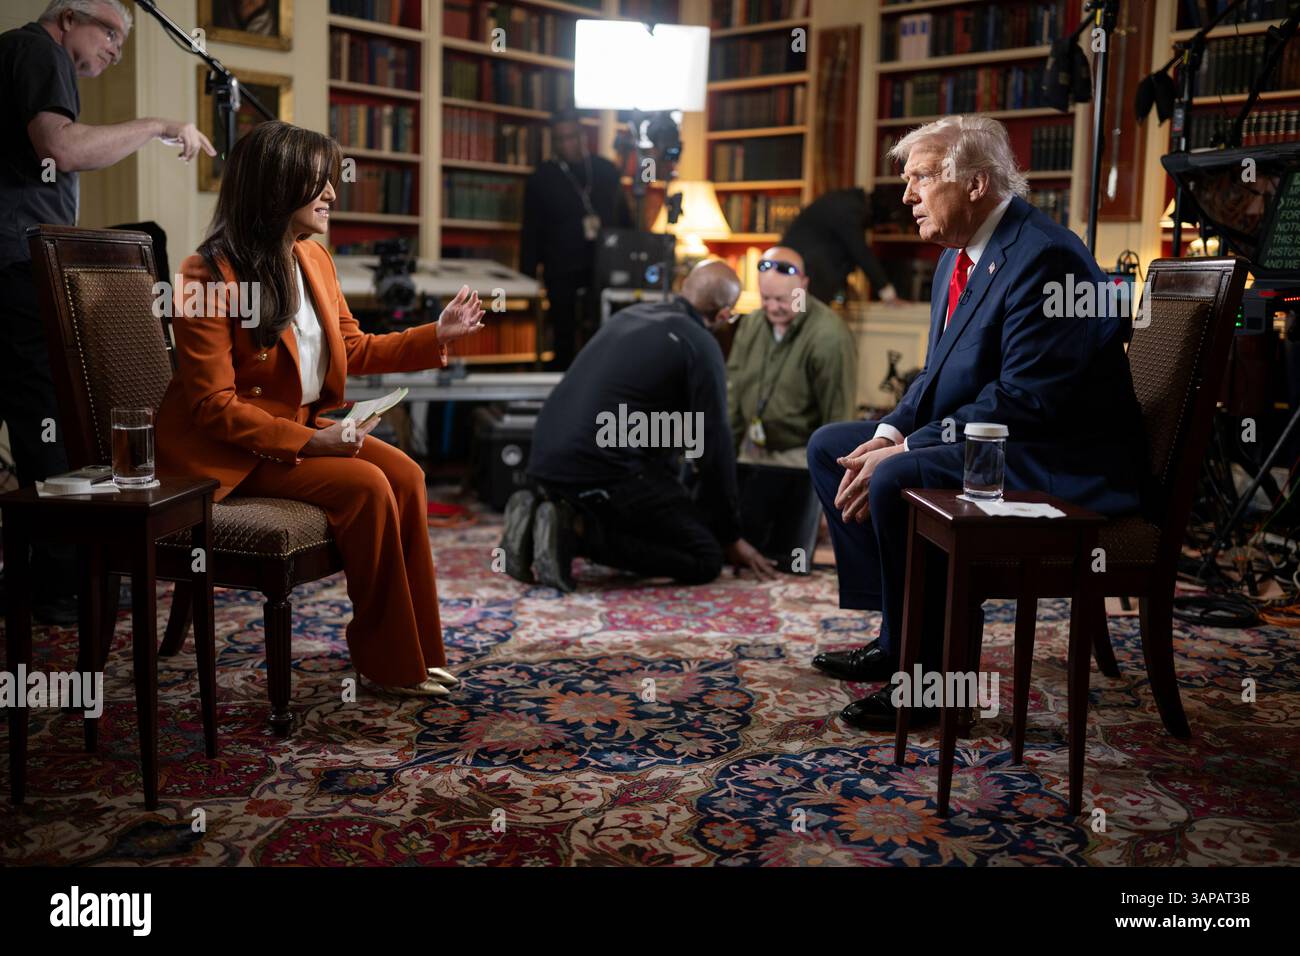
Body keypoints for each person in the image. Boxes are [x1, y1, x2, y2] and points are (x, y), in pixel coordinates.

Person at [806, 115, 1145, 729]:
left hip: (1056, 457)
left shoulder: (1045, 258)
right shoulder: (955, 257)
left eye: (921, 178)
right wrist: (889, 431)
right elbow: (934, 379)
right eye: (907, 181)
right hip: (1000, 435)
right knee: (836, 448)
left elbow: (1023, 401)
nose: (907, 196)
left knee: (894, 476)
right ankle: (896, 635)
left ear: (976, 184)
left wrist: (908, 447)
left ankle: (930, 681)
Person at [155, 121, 486, 698]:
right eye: (319, 180)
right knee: (366, 486)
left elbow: (353, 348)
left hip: (296, 429)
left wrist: (438, 333)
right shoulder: (203, 274)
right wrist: (314, 443)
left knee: (407, 475)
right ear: (274, 186)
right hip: (227, 451)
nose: (333, 191)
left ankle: (418, 652)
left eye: (332, 179)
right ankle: (386, 664)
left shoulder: (314, 259)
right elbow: (213, 407)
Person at [0, 0, 214, 624]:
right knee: (47, 418)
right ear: (68, 18)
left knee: (35, 417)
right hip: (16, 267)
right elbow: (62, 148)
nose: (117, 50)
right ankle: (64, 586)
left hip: (10, 262)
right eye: (112, 33)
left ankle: (48, 577)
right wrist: (154, 124)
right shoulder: (40, 51)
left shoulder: (20, 54)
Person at [502, 260, 776, 591]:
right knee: (705, 555)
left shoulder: (628, 316)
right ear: (723, 316)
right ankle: (574, 531)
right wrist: (730, 535)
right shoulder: (701, 346)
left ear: (684, 287)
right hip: (603, 470)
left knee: (656, 497)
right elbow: (714, 447)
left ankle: (543, 509)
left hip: (546, 458)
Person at [519, 109, 632, 369]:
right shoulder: (542, 178)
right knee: (563, 336)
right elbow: (531, 231)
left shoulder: (605, 171)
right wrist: (526, 277)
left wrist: (628, 263)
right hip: (561, 267)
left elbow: (624, 220)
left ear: (583, 136)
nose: (567, 143)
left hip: (603, 265)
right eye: (560, 139)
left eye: (572, 136)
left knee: (606, 332)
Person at [727, 245, 858, 468]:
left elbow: (838, 415)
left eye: (781, 299)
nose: (772, 308)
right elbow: (733, 392)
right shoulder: (752, 323)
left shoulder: (829, 335)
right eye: (765, 298)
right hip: (751, 449)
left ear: (803, 286)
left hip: (800, 455)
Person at [781, 186, 902, 305]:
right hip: (800, 276)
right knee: (801, 319)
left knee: (803, 318)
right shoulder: (849, 209)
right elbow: (860, 252)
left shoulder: (845, 202)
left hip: (795, 274)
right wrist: (888, 293)